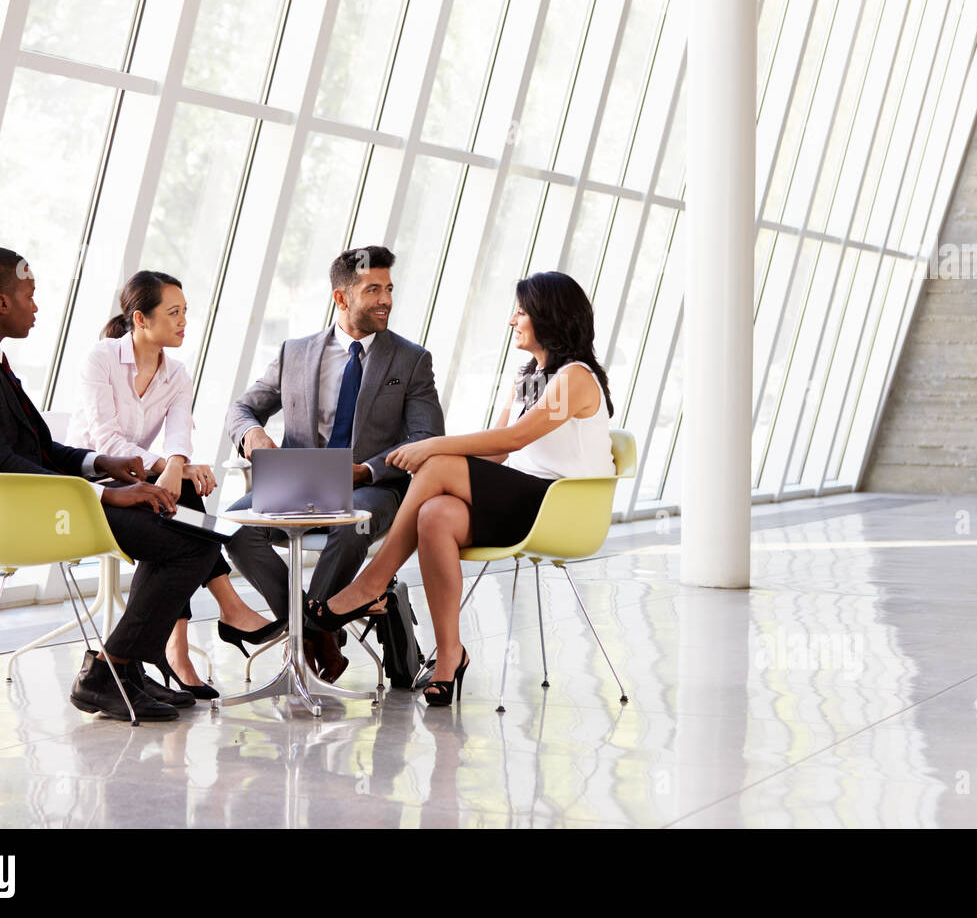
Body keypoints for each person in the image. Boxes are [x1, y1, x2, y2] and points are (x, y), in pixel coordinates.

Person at [0, 246, 221, 721]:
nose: (36, 308)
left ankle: (124, 667)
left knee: (190, 529)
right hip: (25, 515)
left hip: (49, 499)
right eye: (29, 297)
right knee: (188, 545)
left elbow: (42, 449)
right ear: (0, 303)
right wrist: (106, 494)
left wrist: (105, 462)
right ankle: (110, 671)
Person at [309, 271, 614, 707]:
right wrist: (450, 467)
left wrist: (434, 450)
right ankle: (450, 654)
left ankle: (373, 581)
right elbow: (498, 455)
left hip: (559, 506)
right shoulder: (532, 376)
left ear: (549, 318)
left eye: (522, 312)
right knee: (435, 515)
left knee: (435, 464)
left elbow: (513, 439)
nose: (512, 320)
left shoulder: (575, 378)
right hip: (520, 501)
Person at [224, 245, 445, 681]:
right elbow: (242, 409)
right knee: (234, 524)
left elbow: (426, 438)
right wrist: (253, 436)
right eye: (373, 289)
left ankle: (309, 632)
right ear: (341, 298)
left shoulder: (411, 359)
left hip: (373, 488)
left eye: (389, 289)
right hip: (299, 486)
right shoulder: (295, 353)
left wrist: (366, 470)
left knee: (351, 529)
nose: (386, 299)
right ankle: (314, 630)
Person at [68, 270, 284, 699]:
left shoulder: (178, 373)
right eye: (173, 313)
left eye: (185, 312)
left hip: (140, 480)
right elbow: (107, 440)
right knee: (185, 513)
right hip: (91, 485)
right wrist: (172, 465)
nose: (184, 321)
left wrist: (177, 462)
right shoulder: (101, 358)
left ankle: (180, 649)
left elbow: (179, 432)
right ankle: (226, 611)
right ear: (140, 319)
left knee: (180, 500)